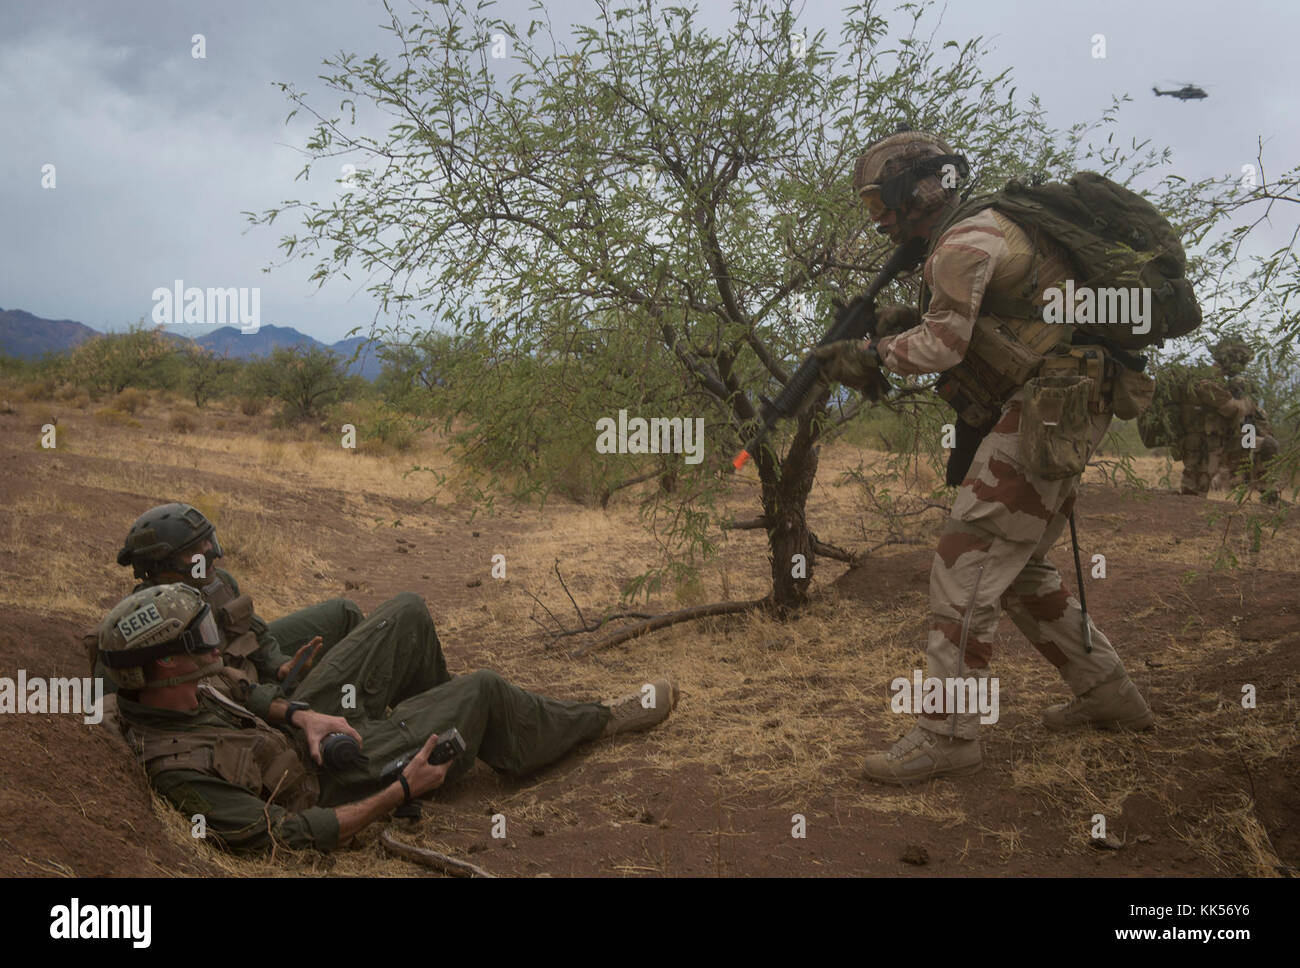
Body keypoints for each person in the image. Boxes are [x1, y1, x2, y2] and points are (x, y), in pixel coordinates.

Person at [814, 128, 1154, 785]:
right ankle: (1108, 692)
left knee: (964, 565)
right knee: (1019, 570)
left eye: (877, 202)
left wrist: (872, 355)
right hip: (1068, 403)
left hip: (1051, 408)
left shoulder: (965, 241)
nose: (878, 219)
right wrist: (895, 329)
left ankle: (947, 735)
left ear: (914, 190)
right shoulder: (985, 226)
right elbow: (989, 329)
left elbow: (944, 345)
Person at [98, 583, 677, 853]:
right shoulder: (177, 767)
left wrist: (300, 714)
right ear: (164, 663)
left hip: (306, 735)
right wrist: (398, 791)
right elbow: (286, 834)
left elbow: (242, 693)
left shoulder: (180, 689)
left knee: (407, 611)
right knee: (482, 688)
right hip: (330, 780)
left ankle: (459, 724)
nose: (213, 649)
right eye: (199, 640)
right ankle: (597, 721)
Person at [88, 502, 377, 721]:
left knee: (345, 610)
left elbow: (257, 634)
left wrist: (280, 665)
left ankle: (373, 708)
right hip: (225, 692)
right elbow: (111, 703)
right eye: (196, 551)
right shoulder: (143, 621)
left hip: (243, 668)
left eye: (209, 542)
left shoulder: (220, 584)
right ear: (161, 564)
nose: (212, 555)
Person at [1174, 338, 1279, 499]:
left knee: (1267, 444)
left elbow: (1246, 414)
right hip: (1205, 447)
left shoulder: (1224, 381)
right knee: (1192, 497)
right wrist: (1247, 402)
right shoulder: (1206, 381)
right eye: (1241, 362)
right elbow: (1233, 409)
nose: (1243, 367)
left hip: (1227, 441)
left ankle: (1270, 497)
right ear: (1231, 360)